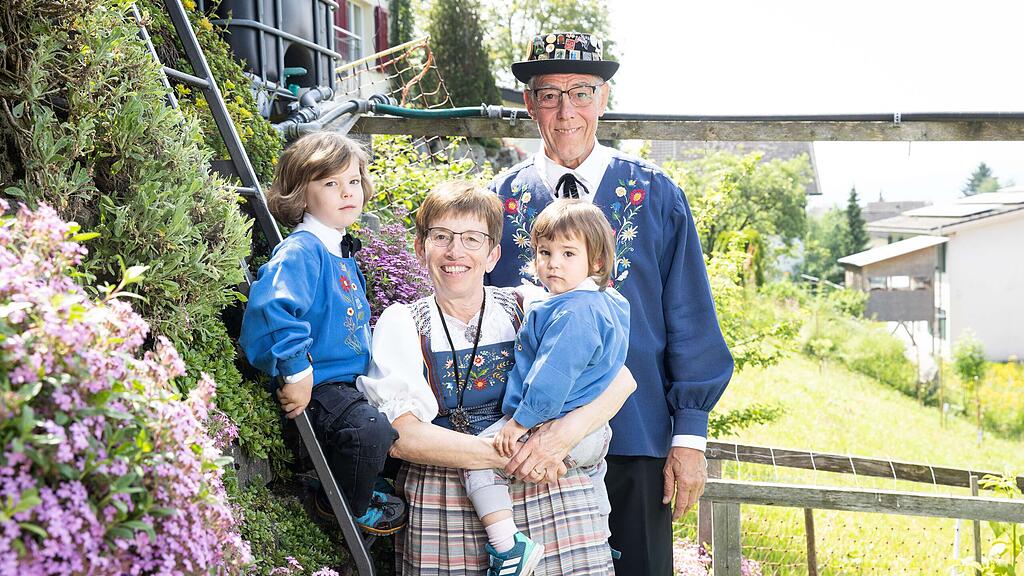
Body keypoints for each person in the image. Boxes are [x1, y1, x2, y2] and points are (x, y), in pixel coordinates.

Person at [488, 31, 735, 574]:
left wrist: (690, 435)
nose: (565, 109)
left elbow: (690, 317)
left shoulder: (656, 194)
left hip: (636, 434)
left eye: (581, 91)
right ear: (529, 104)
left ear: (604, 98)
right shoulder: (498, 203)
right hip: (530, 449)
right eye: (549, 94)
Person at [357, 180, 635, 575]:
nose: (456, 251)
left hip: (552, 490)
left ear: (492, 255)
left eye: (472, 239)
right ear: (421, 249)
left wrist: (558, 441)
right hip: (450, 498)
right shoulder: (403, 324)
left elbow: (621, 379)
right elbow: (403, 437)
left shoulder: (532, 305)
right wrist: (513, 457)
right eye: (441, 236)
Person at [239, 131, 405, 535]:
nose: (346, 192)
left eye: (352, 181)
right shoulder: (304, 249)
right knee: (371, 431)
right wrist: (297, 372)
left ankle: (357, 482)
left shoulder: (338, 248)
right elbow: (274, 306)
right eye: (330, 183)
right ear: (301, 194)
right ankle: (342, 503)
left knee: (406, 421)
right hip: (323, 386)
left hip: (351, 383)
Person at [462, 199, 629, 575]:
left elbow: (552, 375)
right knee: (591, 472)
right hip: (591, 427)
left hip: (550, 417)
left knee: (477, 461)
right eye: (545, 252)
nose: (553, 263)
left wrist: (520, 423)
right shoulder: (607, 302)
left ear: (597, 262)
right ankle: (600, 539)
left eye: (568, 253)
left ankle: (507, 548)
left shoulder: (573, 312)